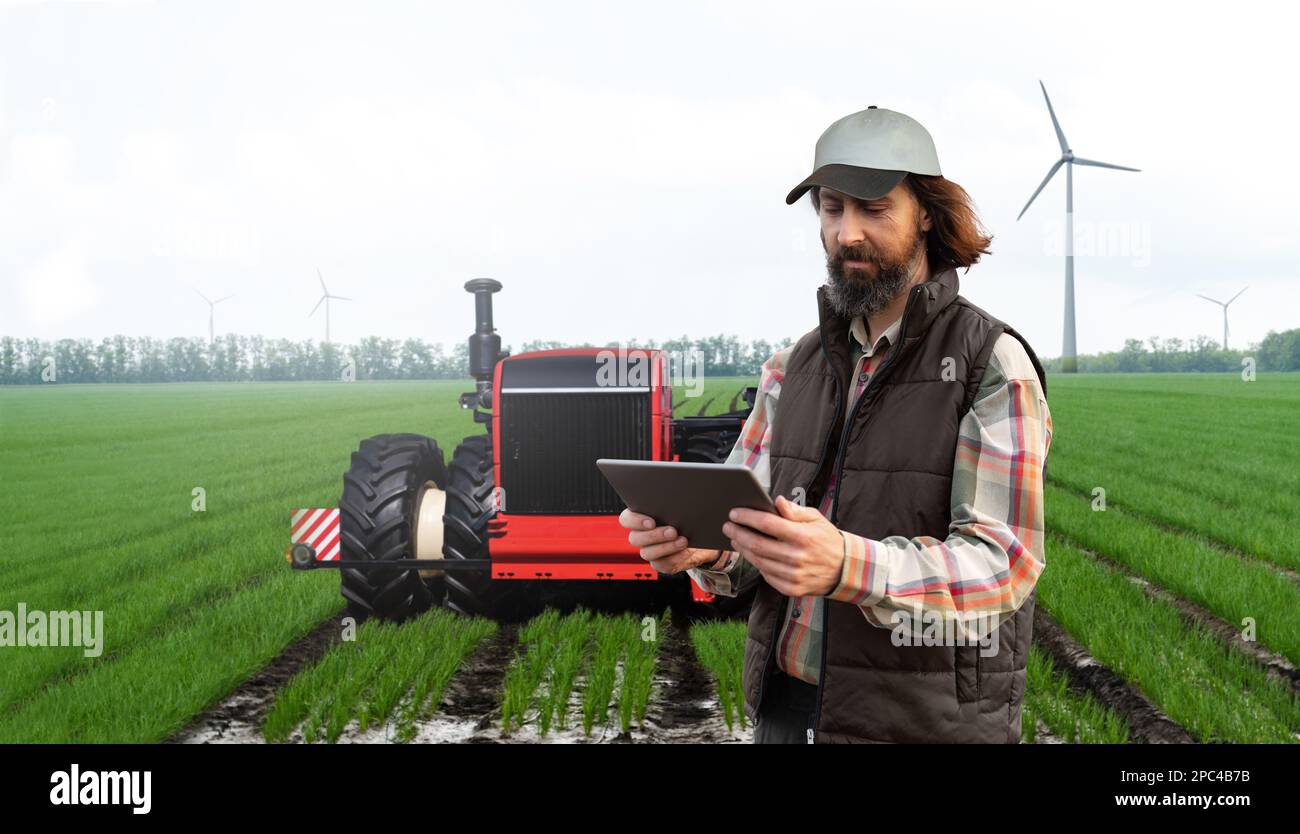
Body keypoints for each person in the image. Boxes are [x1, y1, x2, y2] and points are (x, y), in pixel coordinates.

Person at [620, 106, 1052, 743]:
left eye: (873, 210)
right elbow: (749, 537)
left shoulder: (991, 364)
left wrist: (849, 563)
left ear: (926, 214)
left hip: (919, 724)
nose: (847, 233)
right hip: (788, 712)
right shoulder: (791, 368)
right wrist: (704, 549)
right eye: (831, 208)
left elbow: (1001, 565)